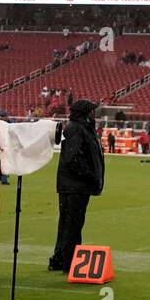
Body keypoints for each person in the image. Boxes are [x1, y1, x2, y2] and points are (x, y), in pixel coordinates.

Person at [49, 100, 106, 273]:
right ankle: (68, 261)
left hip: (76, 185)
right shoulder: (75, 128)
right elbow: (73, 159)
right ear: (86, 113)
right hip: (74, 185)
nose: (94, 114)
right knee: (72, 225)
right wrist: (90, 175)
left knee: (70, 224)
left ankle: (60, 258)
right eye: (91, 111)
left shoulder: (81, 128)